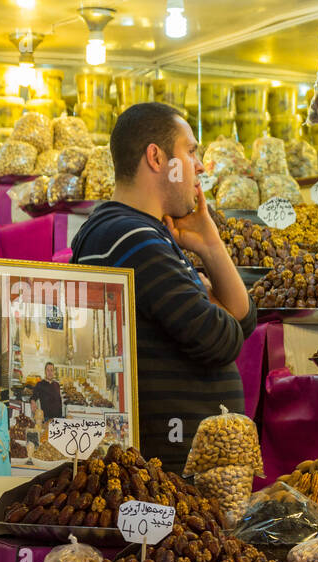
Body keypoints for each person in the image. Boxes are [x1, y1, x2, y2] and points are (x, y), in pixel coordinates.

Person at [69, 101, 257, 471]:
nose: (200, 165)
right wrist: (207, 299)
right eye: (190, 151)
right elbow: (221, 340)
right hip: (164, 474)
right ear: (156, 158)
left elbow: (244, 321)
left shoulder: (135, 232)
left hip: (175, 472)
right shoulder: (132, 238)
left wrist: (209, 245)